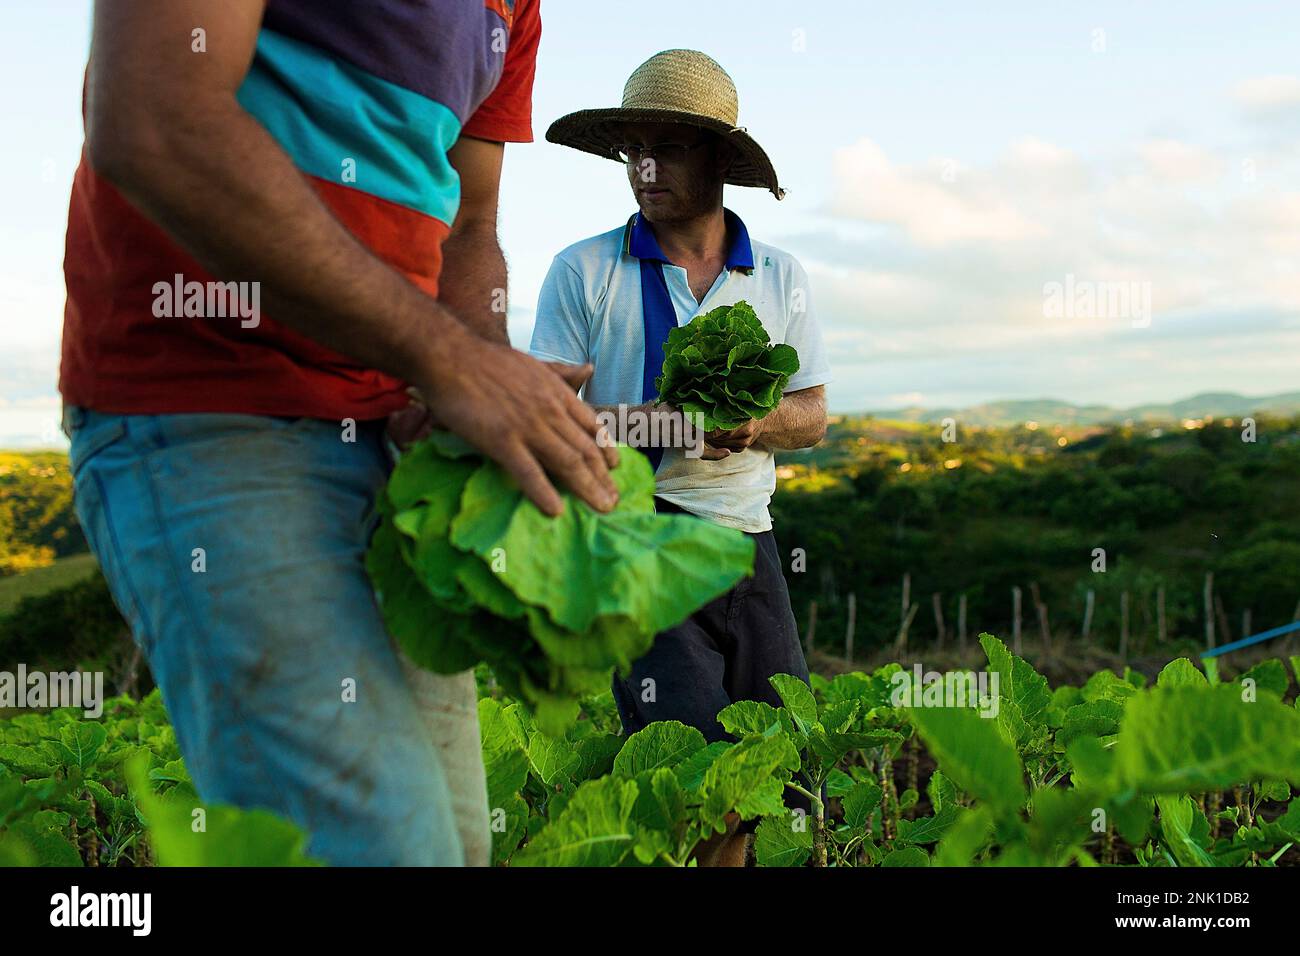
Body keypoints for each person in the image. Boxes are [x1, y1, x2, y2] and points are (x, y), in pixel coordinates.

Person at [60, 0, 617, 866]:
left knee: (458, 850)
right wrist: (448, 359)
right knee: (383, 849)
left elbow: (471, 227)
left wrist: (486, 372)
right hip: (216, 410)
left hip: (393, 444)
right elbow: (154, 118)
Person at [530, 49, 832, 865]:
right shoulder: (584, 270)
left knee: (773, 771)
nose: (646, 168)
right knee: (695, 782)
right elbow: (552, 427)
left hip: (748, 541)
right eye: (634, 150)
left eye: (671, 146)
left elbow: (812, 415)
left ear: (722, 160)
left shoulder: (779, 275)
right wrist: (658, 425)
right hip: (637, 542)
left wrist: (754, 423)